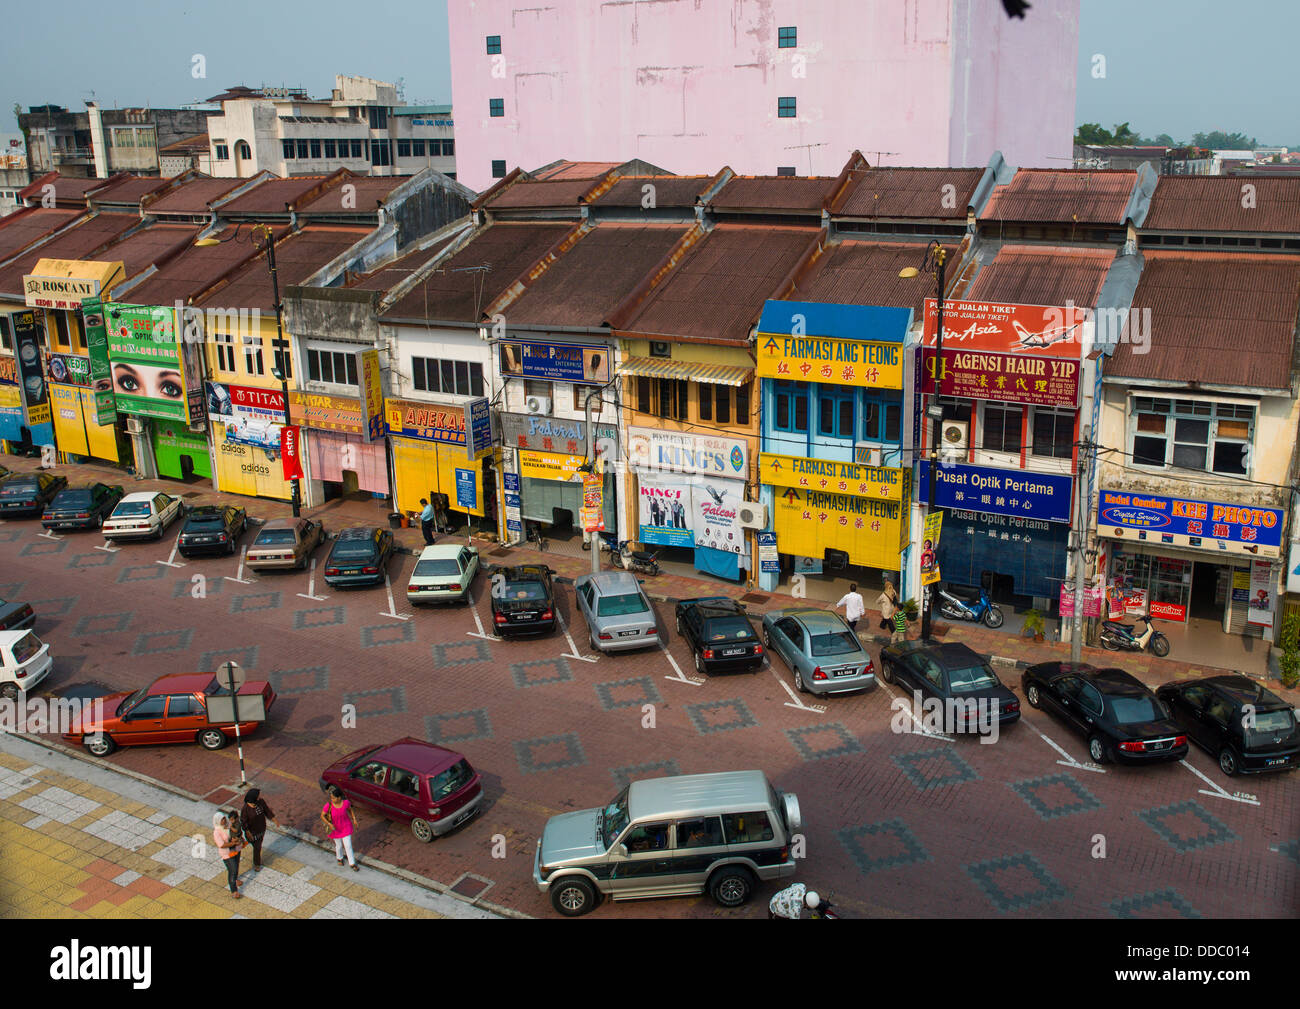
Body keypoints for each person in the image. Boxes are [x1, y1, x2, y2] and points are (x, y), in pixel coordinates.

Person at [239, 788, 281, 872]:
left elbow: (267, 811)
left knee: (257, 846)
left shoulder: (260, 802)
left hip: (261, 829)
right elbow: (244, 822)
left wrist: (274, 819)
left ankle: (256, 861)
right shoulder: (245, 809)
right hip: (252, 832)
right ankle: (257, 863)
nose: (259, 798)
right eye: (257, 796)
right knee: (257, 847)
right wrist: (247, 832)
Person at [322, 785, 360, 871]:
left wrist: (354, 819)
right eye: (331, 798)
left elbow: (350, 810)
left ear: (339, 797)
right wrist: (329, 824)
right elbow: (322, 816)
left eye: (334, 798)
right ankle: (339, 857)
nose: (332, 800)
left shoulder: (346, 803)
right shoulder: (328, 805)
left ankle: (352, 863)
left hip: (346, 826)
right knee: (338, 845)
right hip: (335, 829)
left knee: (348, 845)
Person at [213, 812, 243, 899]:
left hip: (235, 849)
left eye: (224, 818)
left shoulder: (229, 824)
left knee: (236, 865)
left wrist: (239, 839)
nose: (224, 820)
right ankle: (234, 890)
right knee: (232, 870)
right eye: (222, 819)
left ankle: (235, 880)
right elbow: (221, 845)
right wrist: (232, 843)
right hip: (227, 853)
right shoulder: (217, 832)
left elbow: (237, 831)